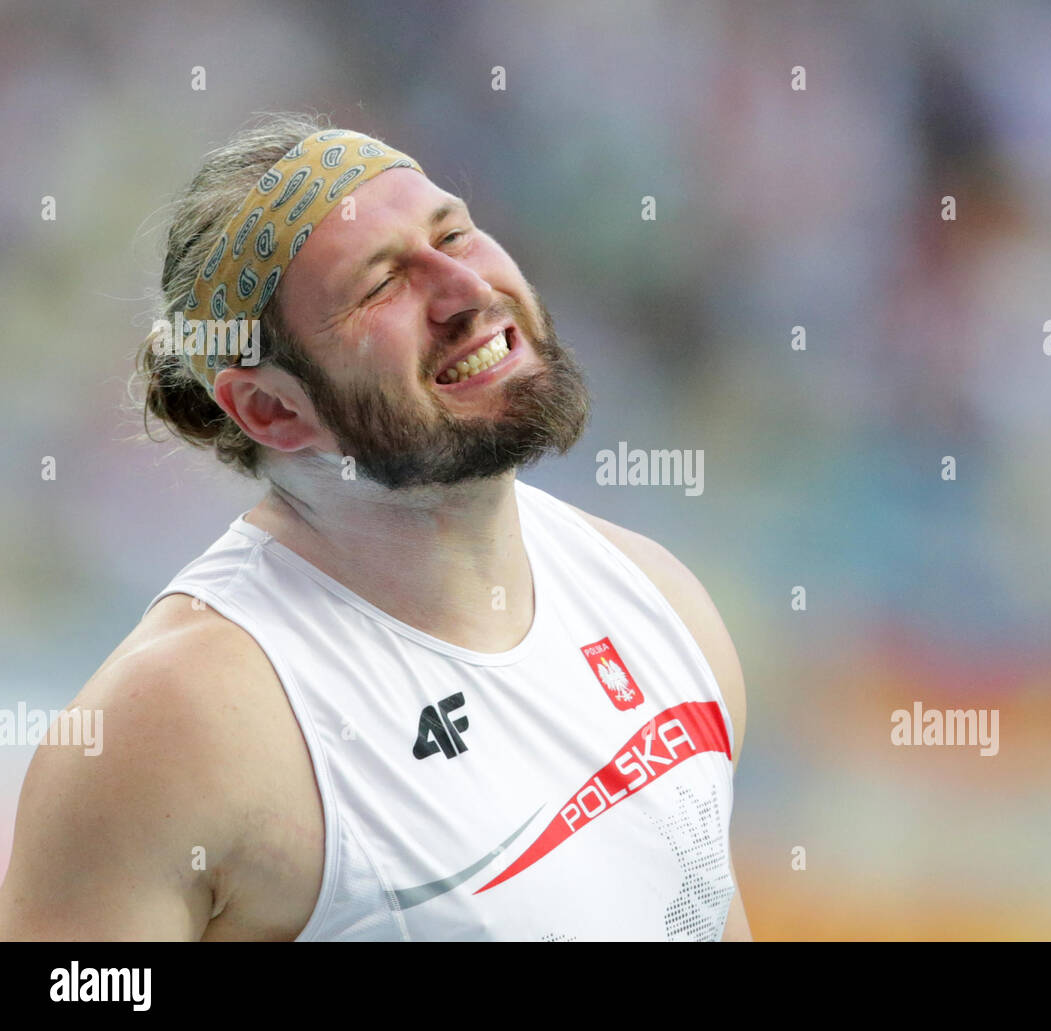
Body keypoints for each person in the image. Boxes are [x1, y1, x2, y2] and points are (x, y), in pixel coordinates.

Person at [0, 115, 751, 941]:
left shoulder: (658, 600)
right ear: (273, 409)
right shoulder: (181, 720)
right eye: (380, 285)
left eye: (454, 233)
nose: (467, 291)